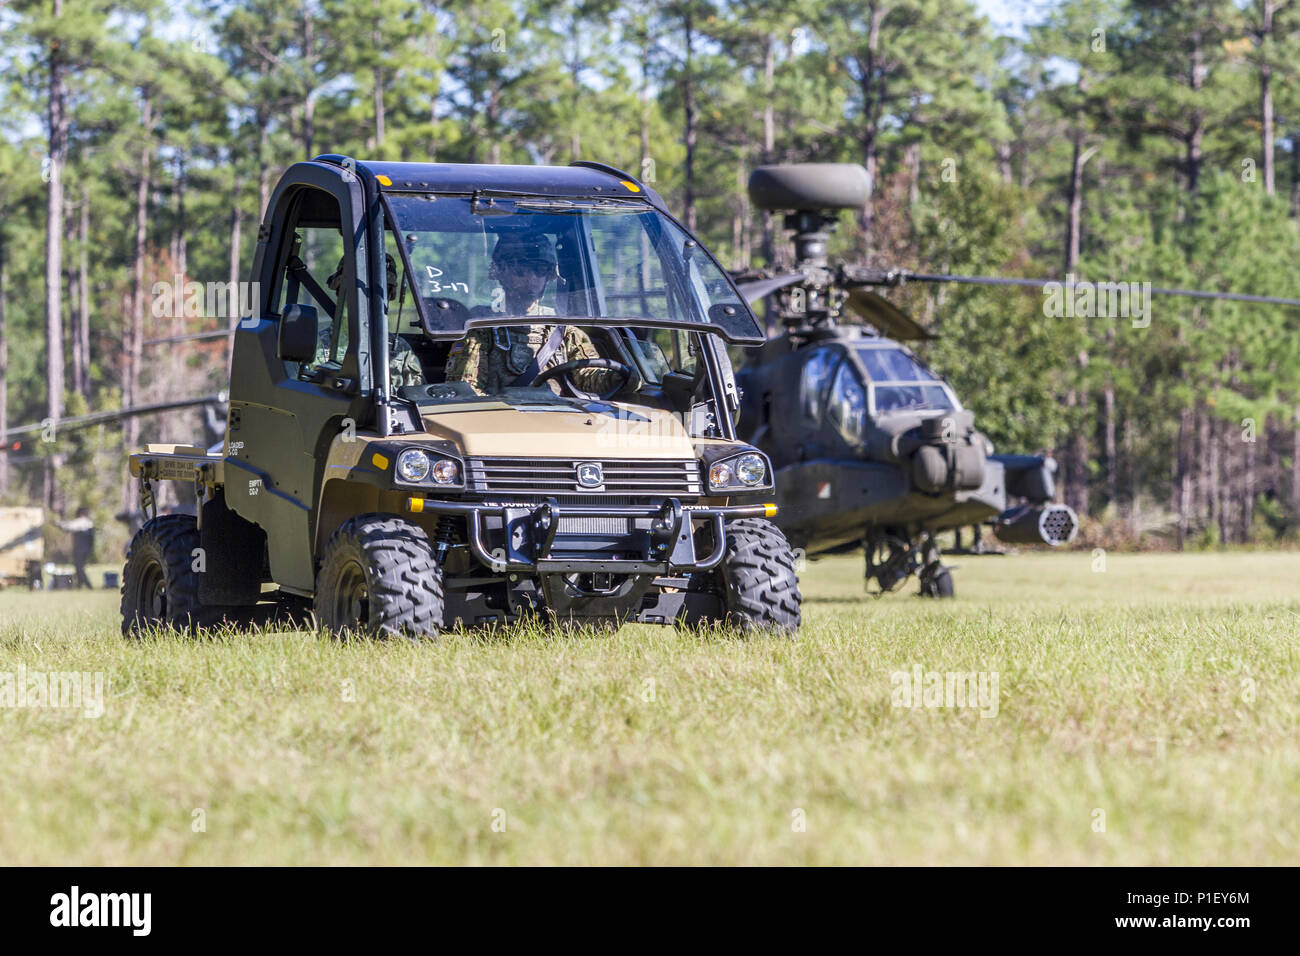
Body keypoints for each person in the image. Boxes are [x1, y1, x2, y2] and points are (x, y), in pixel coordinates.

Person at [443, 233, 610, 396]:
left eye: (540, 270)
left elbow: (589, 376)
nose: (532, 279)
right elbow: (465, 391)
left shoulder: (562, 327)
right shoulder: (482, 327)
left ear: (550, 274)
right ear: (501, 272)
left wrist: (616, 379)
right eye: (520, 270)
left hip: (558, 416)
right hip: (499, 417)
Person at [322, 253, 426, 387]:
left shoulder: (400, 349)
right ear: (342, 292)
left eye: (379, 292)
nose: (368, 299)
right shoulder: (319, 345)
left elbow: (416, 397)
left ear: (389, 295)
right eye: (359, 291)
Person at [58, 506, 95, 589]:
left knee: (79, 568)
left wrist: (58, 524)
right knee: (79, 567)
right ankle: (79, 585)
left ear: (80, 514)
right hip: (86, 549)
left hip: (80, 549)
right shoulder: (89, 522)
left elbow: (68, 527)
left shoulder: (81, 521)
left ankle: (89, 586)